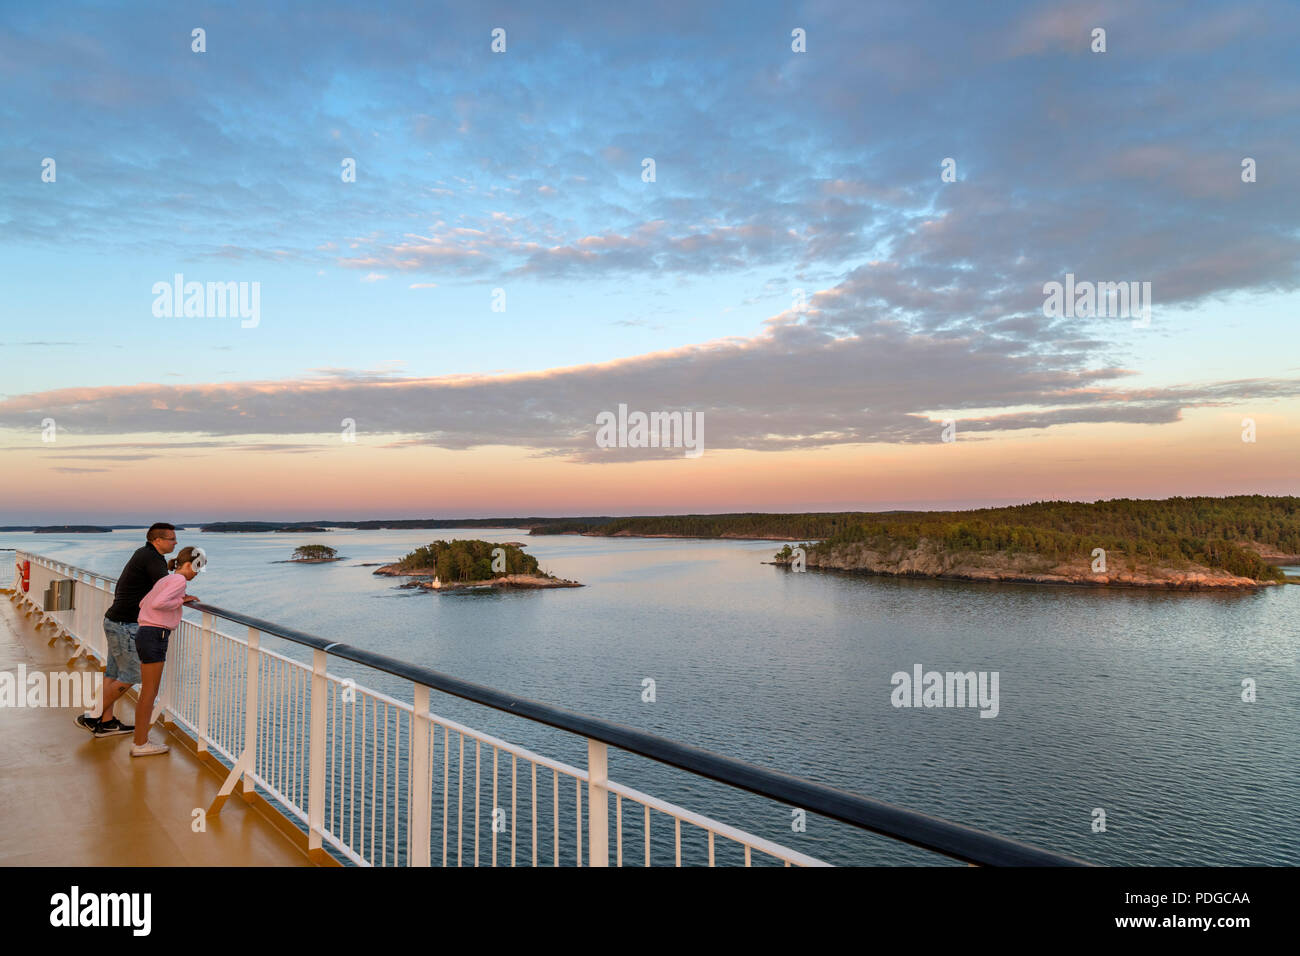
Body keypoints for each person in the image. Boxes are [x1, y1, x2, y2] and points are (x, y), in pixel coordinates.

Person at [77, 523, 177, 736]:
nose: (175, 542)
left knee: (113, 674)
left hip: (116, 621)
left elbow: (160, 584)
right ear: (157, 540)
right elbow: (167, 589)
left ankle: (106, 722)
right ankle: (91, 716)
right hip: (125, 624)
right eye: (171, 539)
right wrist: (183, 597)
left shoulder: (144, 554)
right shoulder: (152, 558)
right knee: (131, 674)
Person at [129, 545, 202, 757]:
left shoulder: (165, 579)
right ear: (188, 564)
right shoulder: (179, 581)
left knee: (147, 693)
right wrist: (181, 600)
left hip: (145, 632)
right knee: (149, 694)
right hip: (155, 636)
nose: (196, 574)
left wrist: (180, 599)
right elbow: (161, 603)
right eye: (196, 569)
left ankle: (140, 741)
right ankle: (140, 744)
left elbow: (145, 602)